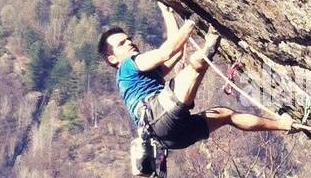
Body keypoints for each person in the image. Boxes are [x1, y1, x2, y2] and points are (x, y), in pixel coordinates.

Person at [98, 16, 293, 151]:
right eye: (122, 44)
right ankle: (211, 42)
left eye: (129, 39)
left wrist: (167, 12)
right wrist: (192, 20)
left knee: (226, 115)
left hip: (168, 138)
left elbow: (175, 51)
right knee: (196, 64)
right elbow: (166, 52)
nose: (130, 43)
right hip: (157, 113)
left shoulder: (139, 76)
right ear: (113, 59)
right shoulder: (128, 66)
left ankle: (282, 125)